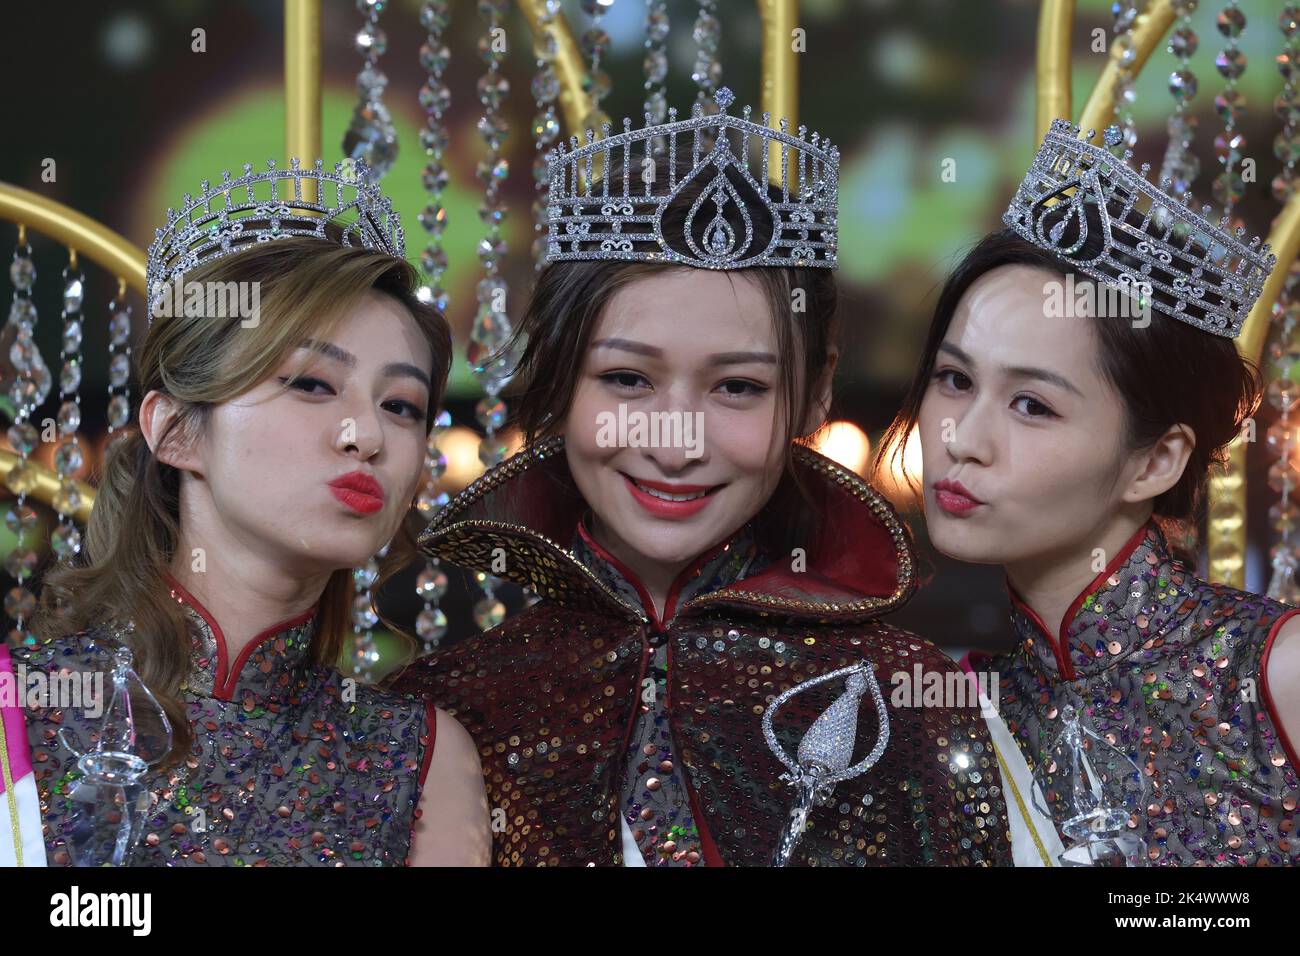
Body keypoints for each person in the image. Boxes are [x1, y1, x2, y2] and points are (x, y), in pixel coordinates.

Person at [389, 90, 1013, 866]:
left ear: (817, 390)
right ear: (558, 378)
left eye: (737, 388)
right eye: (626, 379)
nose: (675, 442)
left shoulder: (909, 699)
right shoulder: (443, 709)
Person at [6, 158, 490, 866]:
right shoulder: (19, 710)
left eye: (401, 406)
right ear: (175, 431)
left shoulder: (421, 759)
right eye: (313, 384)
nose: (367, 434)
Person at [880, 120, 1300, 865]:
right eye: (955, 379)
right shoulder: (952, 708)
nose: (961, 438)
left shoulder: (1275, 672)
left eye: (1032, 405)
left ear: (1155, 462)